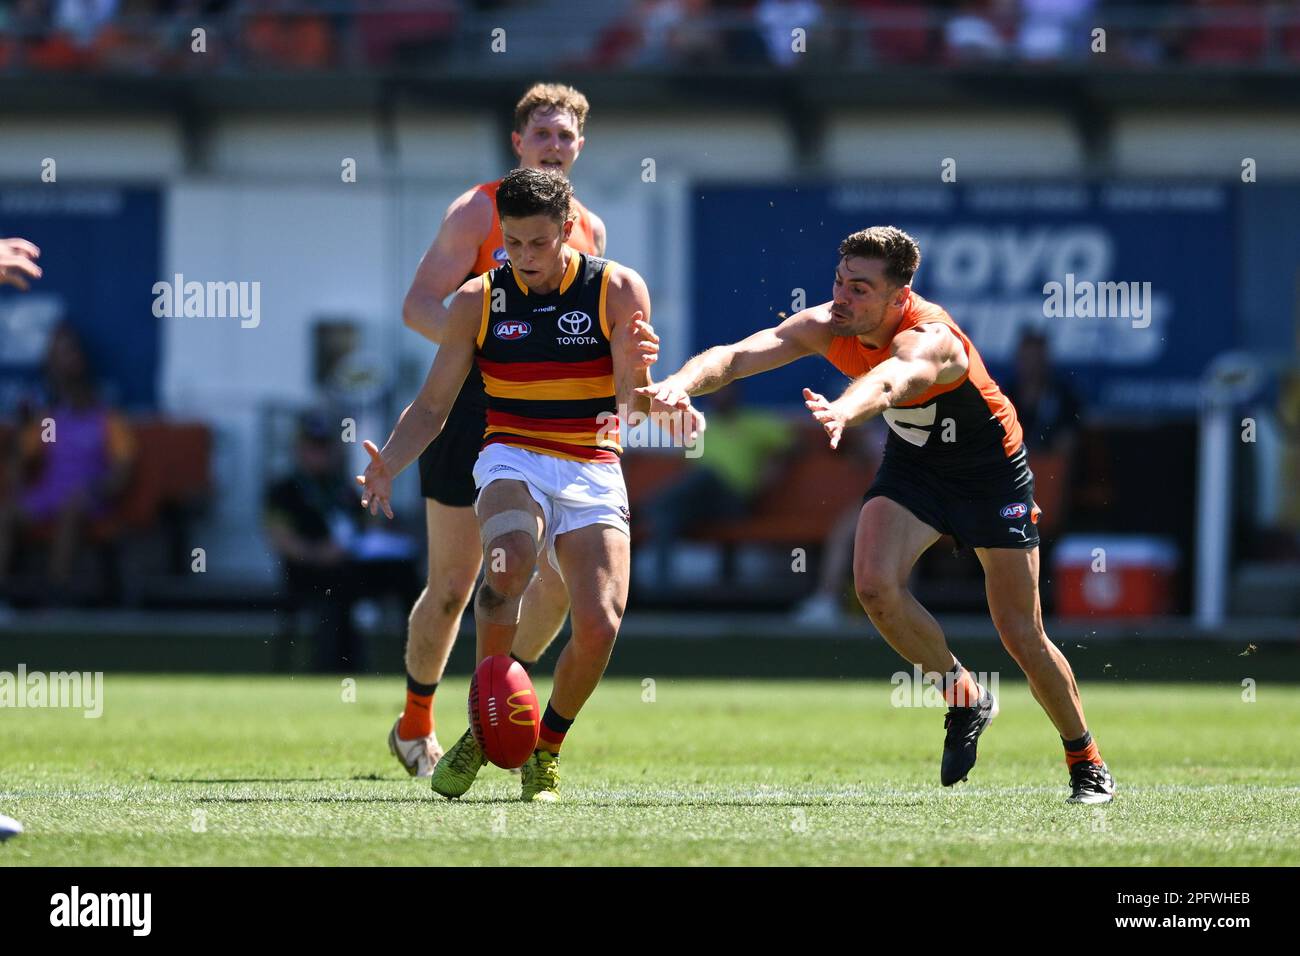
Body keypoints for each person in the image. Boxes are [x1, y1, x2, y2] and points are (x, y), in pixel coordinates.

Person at [640, 225, 1116, 804]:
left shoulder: (932, 338)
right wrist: (680, 384)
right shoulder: (828, 323)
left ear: (900, 297)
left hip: (991, 475)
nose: (842, 297)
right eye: (840, 281)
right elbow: (739, 355)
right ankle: (964, 694)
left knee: (1020, 631)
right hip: (915, 470)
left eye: (860, 289)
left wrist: (845, 408)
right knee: (873, 586)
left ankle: (1086, 761)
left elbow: (892, 381)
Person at [358, 168, 664, 802]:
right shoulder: (477, 299)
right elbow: (432, 405)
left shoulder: (618, 289)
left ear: (568, 233)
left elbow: (632, 407)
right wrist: (389, 461)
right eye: (513, 245)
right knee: (505, 564)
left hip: (591, 463)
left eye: (539, 243)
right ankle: (484, 721)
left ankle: (542, 748)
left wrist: (652, 387)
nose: (525, 258)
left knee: (600, 623)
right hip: (512, 457)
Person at [390, 83, 608, 777]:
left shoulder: (592, 229)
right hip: (473, 408)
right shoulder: (478, 208)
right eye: (541, 134)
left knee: (555, 581)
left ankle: (495, 704)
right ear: (519, 143)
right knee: (454, 583)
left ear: (580, 146)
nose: (553, 146)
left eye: (565, 136)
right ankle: (414, 724)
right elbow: (420, 304)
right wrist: (494, 344)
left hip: (554, 420)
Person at [265, 412, 420, 672]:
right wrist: (316, 553)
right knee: (339, 586)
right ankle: (335, 666)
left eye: (324, 447)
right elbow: (280, 538)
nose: (319, 454)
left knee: (405, 574)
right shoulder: (284, 490)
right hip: (308, 569)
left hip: (349, 563)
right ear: (300, 448)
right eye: (313, 447)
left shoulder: (342, 488)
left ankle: (416, 664)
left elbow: (367, 525)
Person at [0, 323, 135, 602]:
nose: (66, 363)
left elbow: (123, 469)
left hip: (88, 498)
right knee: (6, 515)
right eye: (58, 356)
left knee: (71, 509)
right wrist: (19, 436)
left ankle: (55, 594)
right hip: (49, 495)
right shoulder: (49, 419)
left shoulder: (107, 420)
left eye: (69, 354)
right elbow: (21, 461)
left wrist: (98, 490)